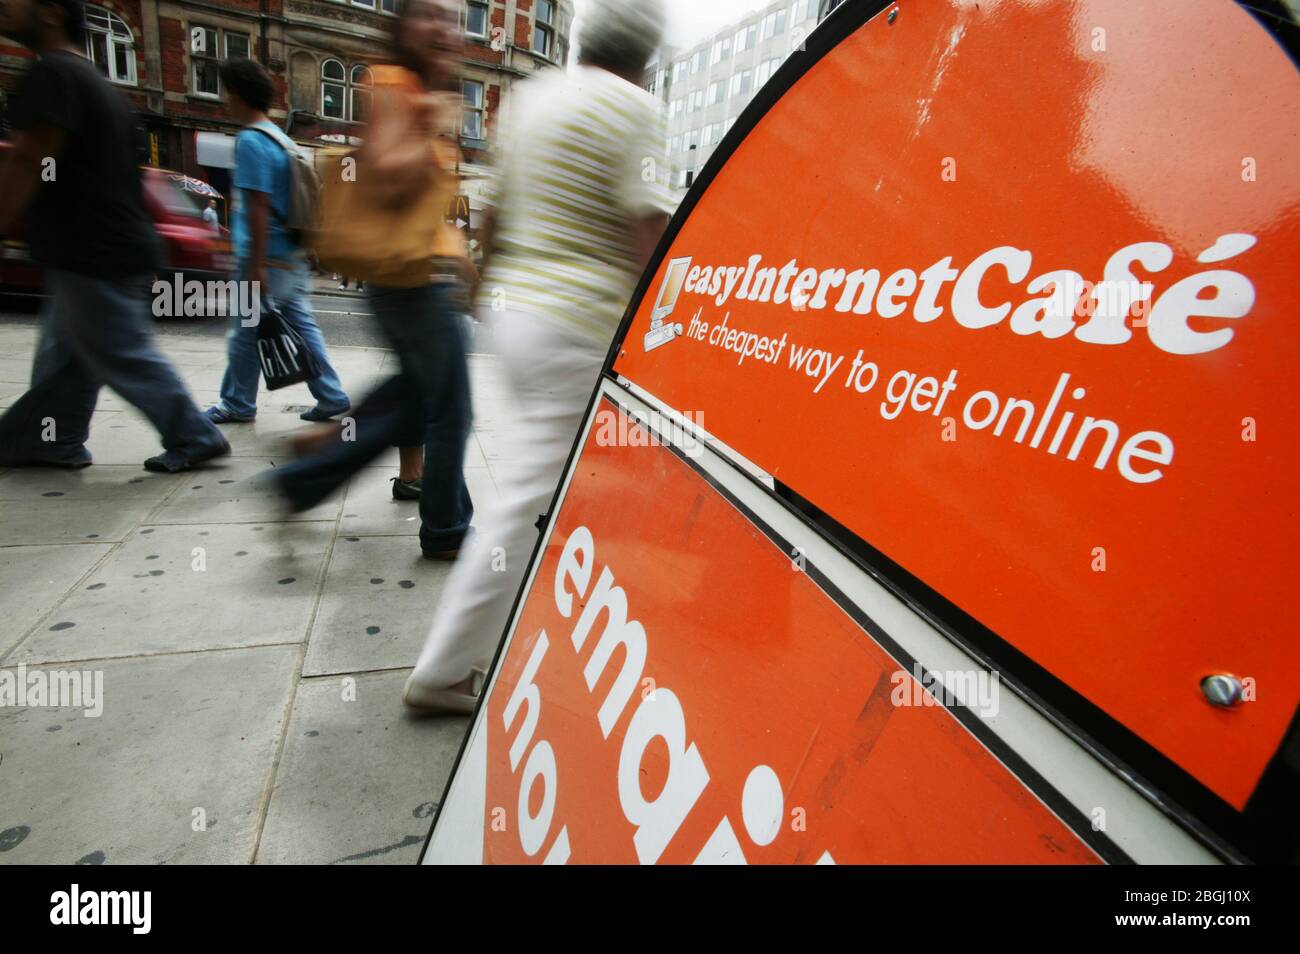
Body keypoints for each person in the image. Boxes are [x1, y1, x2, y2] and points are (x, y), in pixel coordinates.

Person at [402, 0, 673, 712]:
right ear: (644, 58)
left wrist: (484, 290)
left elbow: (492, 213)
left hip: (517, 315)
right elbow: (648, 228)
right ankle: (443, 669)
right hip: (578, 322)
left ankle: (578, 599)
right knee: (529, 489)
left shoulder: (531, 98)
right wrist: (665, 323)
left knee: (574, 472)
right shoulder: (636, 109)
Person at [273, 0, 474, 552]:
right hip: (410, 284)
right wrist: (431, 120)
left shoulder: (416, 90)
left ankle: (310, 470)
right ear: (401, 26)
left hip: (414, 275)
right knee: (450, 411)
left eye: (451, 19)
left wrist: (459, 258)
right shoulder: (394, 85)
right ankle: (446, 529)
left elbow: (421, 206)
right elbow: (387, 175)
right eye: (428, 14)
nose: (443, 28)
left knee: (415, 401)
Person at [0, 0, 229, 474]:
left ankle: (194, 434)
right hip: (102, 244)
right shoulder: (97, 84)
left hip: (91, 247)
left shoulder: (55, 75)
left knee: (119, 351)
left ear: (50, 11)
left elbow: (27, 162)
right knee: (70, 355)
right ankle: (53, 438)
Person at [205, 57, 350, 426]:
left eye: (227, 93)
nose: (225, 100)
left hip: (264, 257)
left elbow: (257, 204)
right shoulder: (283, 141)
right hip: (290, 254)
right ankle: (331, 395)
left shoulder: (252, 140)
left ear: (238, 95)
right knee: (303, 328)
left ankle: (237, 403)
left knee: (245, 333)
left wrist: (255, 265)